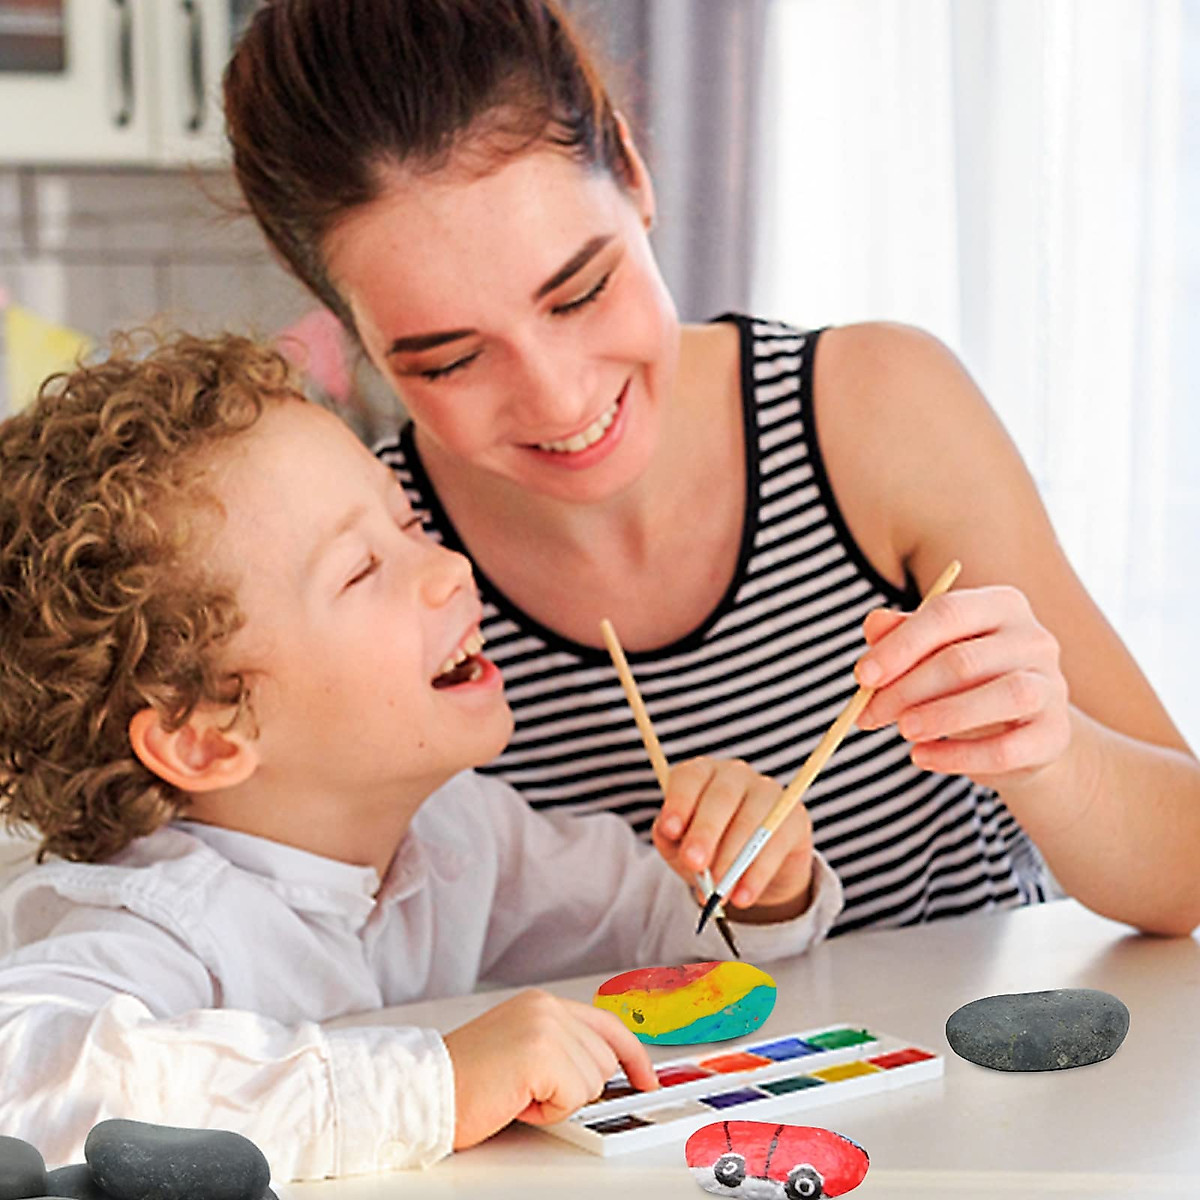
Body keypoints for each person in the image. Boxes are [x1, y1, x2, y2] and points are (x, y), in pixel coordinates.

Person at [220, 0, 1200, 940]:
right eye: (451, 360)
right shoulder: (368, 577)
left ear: (633, 170)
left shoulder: (875, 413)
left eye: (580, 292)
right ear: (354, 332)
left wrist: (1048, 753)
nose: (560, 399)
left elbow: (1185, 873)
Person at [0, 333, 843, 1179]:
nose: (448, 567)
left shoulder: (460, 831)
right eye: (361, 570)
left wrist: (749, 882)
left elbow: (674, 943)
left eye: (408, 522)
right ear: (207, 736)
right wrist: (433, 1086)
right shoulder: (160, 919)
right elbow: (22, 1084)